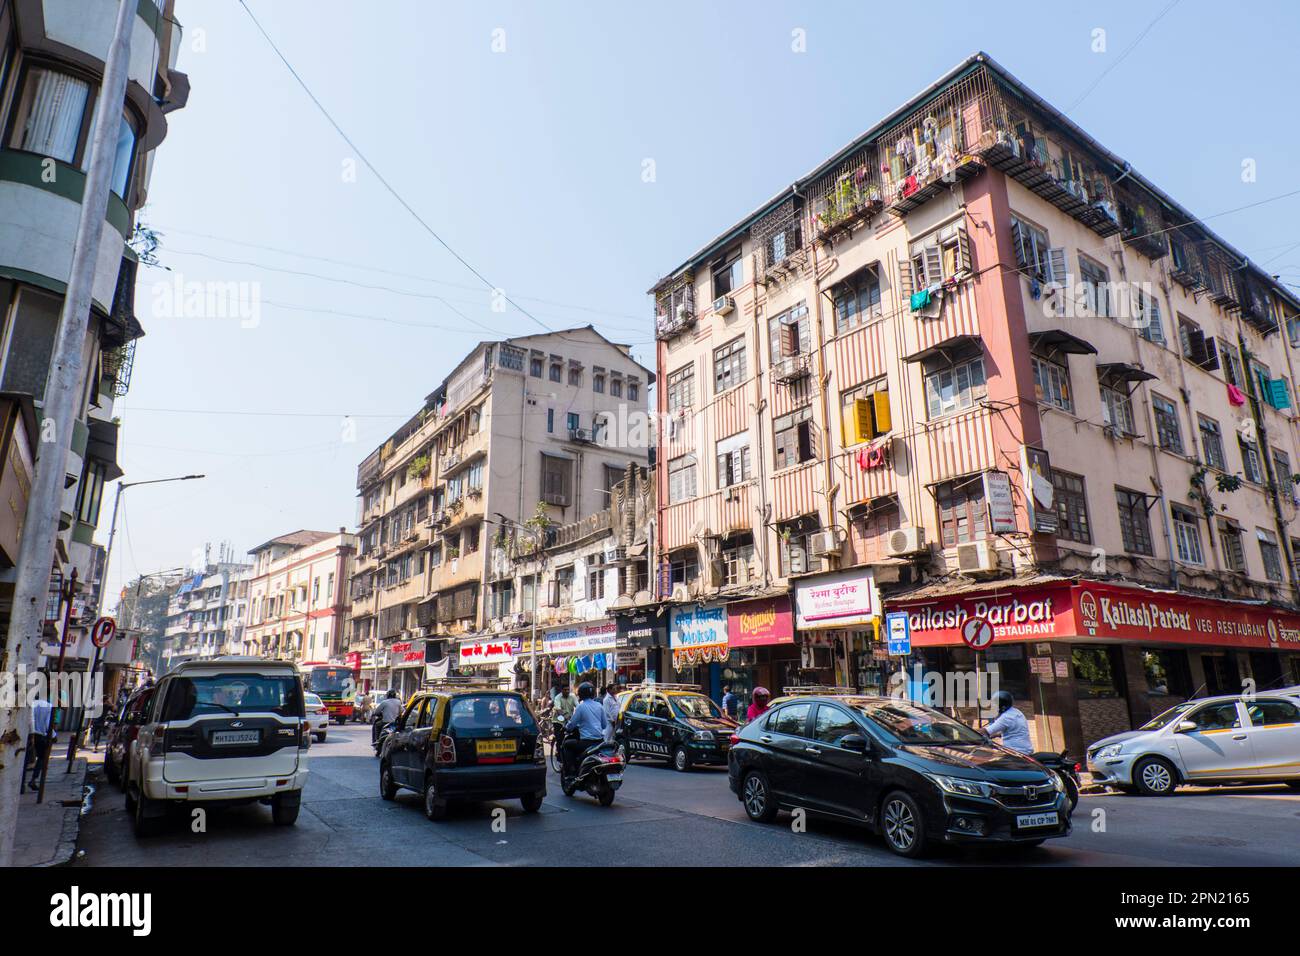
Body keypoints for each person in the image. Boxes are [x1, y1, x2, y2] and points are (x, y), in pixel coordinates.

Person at [562, 682, 607, 777]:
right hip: (600, 741)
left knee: (567, 745)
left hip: (586, 742)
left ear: (581, 694)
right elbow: (604, 725)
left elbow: (572, 724)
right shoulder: (599, 705)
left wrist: (567, 727)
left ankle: (571, 770)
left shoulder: (581, 707)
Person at [26, 689, 54, 789]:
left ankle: (21, 785)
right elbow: (48, 725)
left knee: (25, 759)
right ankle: (33, 779)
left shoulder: (30, 704)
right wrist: (54, 736)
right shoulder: (48, 706)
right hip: (41, 736)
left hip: (29, 735)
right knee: (41, 758)